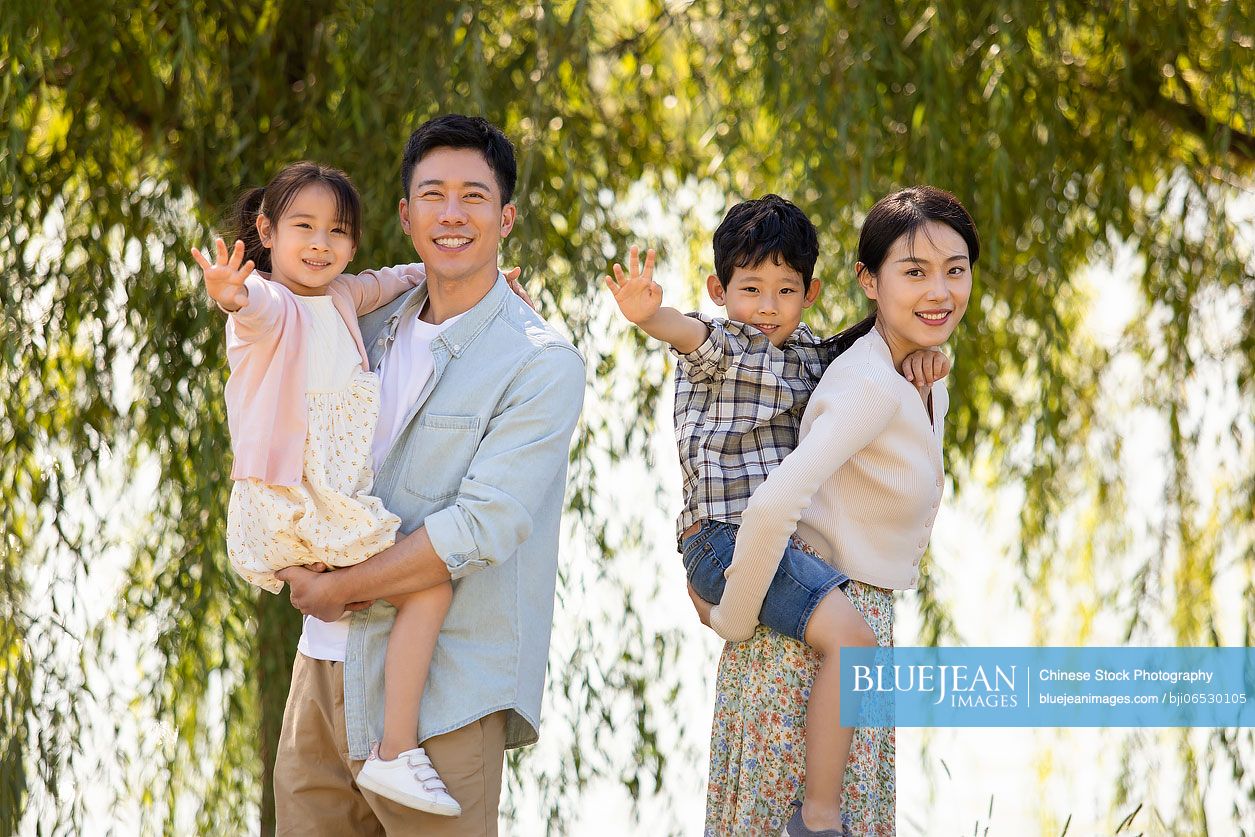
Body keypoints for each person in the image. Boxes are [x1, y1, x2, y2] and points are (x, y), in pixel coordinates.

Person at [267, 115, 585, 836]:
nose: (451, 214)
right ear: (405, 216)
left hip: (441, 691)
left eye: (473, 196)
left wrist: (339, 588)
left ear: (505, 217)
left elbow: (482, 525)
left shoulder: (537, 363)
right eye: (432, 195)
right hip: (320, 675)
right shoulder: (359, 327)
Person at [602, 194, 949, 837]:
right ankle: (818, 818)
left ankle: (814, 801)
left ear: (811, 293)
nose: (766, 307)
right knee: (851, 639)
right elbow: (689, 333)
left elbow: (874, 349)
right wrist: (651, 316)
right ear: (718, 289)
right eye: (750, 289)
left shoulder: (810, 356)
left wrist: (926, 359)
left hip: (764, 546)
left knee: (846, 644)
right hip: (727, 541)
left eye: (785, 290)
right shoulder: (727, 344)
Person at [696, 185, 979, 836]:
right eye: (913, 272)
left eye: (953, 270)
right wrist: (730, 617)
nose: (938, 291)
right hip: (803, 656)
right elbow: (770, 504)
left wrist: (929, 379)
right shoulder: (871, 382)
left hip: (842, 641)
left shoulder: (909, 369)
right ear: (868, 280)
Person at [193, 161, 463, 814]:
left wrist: (465, 280)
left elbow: (394, 281)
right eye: (303, 228)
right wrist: (232, 294)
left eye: (337, 232)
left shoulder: (340, 296)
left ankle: (316, 593)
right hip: (295, 498)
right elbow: (252, 311)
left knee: (365, 592)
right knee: (428, 580)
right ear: (267, 231)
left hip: (323, 501)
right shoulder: (272, 304)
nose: (320, 244)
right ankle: (394, 748)